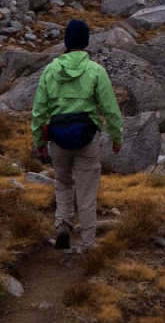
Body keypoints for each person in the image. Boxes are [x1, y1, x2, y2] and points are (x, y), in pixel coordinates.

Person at [31, 18, 123, 253]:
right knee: (87, 190)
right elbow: (110, 108)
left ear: (66, 41)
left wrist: (40, 142)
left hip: (58, 139)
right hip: (87, 138)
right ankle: (88, 243)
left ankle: (63, 223)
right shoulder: (96, 71)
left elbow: (39, 110)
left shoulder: (50, 70)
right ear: (86, 42)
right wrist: (116, 137)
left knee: (63, 183)